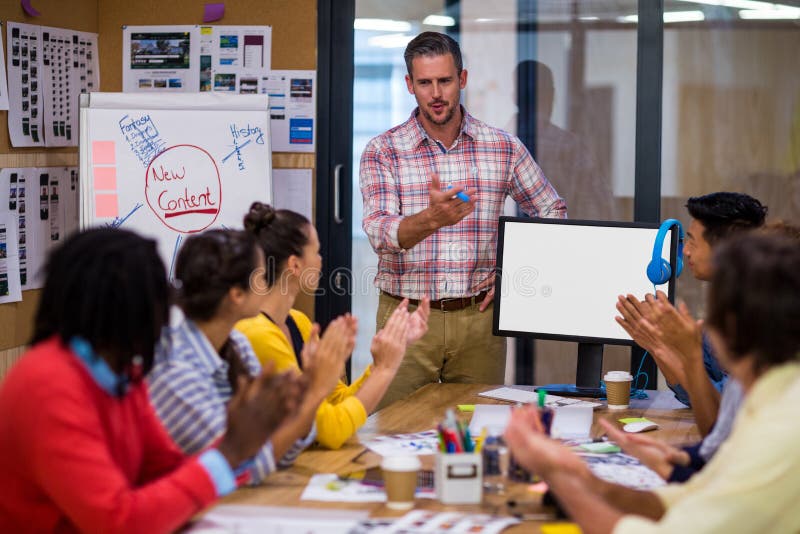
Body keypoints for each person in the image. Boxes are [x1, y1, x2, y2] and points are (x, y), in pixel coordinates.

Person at [0, 228, 303, 533]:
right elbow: (119, 521)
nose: (166, 313)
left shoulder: (120, 374)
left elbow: (165, 469)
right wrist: (230, 451)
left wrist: (236, 445)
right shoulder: (48, 385)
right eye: (157, 299)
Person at [505, 232, 800, 533]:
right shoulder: (769, 399)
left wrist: (557, 476)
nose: (703, 323)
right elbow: (689, 498)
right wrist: (587, 480)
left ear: (732, 325)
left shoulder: (782, 428)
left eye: (711, 312)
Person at [360, 31, 567, 407]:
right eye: (424, 82)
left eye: (445, 80)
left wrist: (510, 271)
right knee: (392, 432)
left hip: (478, 321)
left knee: (480, 432)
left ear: (463, 79)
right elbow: (380, 232)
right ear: (410, 84)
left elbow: (552, 210)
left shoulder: (502, 146)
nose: (436, 93)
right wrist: (432, 219)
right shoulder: (383, 151)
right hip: (404, 318)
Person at [148, 229, 356, 484]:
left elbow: (281, 449)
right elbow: (239, 468)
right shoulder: (176, 372)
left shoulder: (236, 344)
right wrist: (314, 390)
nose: (266, 284)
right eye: (260, 277)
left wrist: (305, 391)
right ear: (236, 295)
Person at [236, 203, 431, 448]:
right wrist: (385, 369)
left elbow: (335, 402)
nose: (321, 260)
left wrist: (386, 356)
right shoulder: (258, 334)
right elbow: (329, 429)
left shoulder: (297, 321)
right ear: (295, 265)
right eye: (316, 252)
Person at [616, 192, 767, 437]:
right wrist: (660, 346)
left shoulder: (756, 316)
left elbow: (725, 415)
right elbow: (694, 396)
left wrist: (668, 347)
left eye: (693, 242)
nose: (685, 252)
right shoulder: (724, 306)